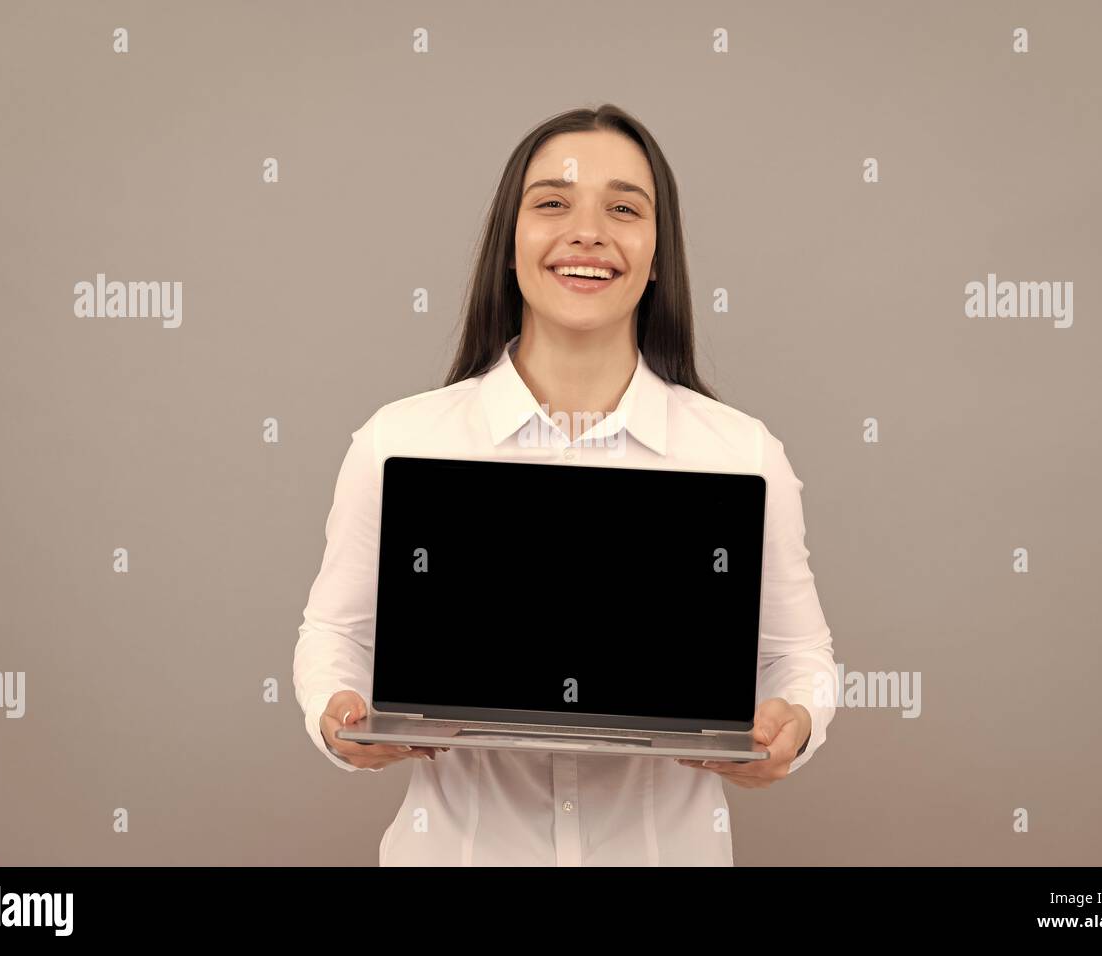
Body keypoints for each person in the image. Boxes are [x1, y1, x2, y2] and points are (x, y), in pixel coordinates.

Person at [293, 103, 838, 865]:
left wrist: (796, 724)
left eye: (623, 208)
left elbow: (799, 658)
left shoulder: (742, 453)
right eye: (552, 202)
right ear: (510, 247)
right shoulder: (398, 440)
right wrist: (334, 713)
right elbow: (336, 635)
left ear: (657, 256)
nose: (588, 231)